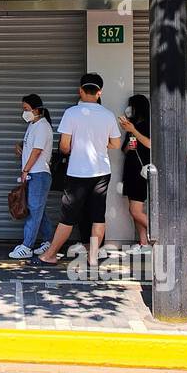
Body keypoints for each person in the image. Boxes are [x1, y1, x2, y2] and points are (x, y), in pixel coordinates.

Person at [39, 74, 121, 269]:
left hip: (77, 172)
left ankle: (50, 255)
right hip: (102, 172)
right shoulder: (108, 115)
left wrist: (76, 147)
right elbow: (116, 144)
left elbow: (65, 147)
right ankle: (93, 258)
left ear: (81, 91)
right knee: (98, 215)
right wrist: (101, 145)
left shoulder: (71, 113)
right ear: (100, 92)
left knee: (68, 216)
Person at [9, 94, 54, 259]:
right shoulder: (33, 125)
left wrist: (25, 170)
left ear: (36, 110)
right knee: (38, 209)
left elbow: (37, 151)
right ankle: (48, 240)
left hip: (38, 174)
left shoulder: (42, 126)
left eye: (26, 109)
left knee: (34, 211)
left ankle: (27, 246)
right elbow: (31, 148)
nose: (24, 112)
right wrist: (21, 148)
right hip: (34, 174)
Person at [116, 93, 151, 252]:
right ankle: (143, 243)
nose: (128, 109)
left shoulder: (148, 125)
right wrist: (128, 147)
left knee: (135, 210)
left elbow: (151, 144)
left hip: (141, 173)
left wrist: (134, 130)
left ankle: (163, 233)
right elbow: (124, 149)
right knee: (134, 209)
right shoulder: (131, 125)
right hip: (130, 171)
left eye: (132, 105)